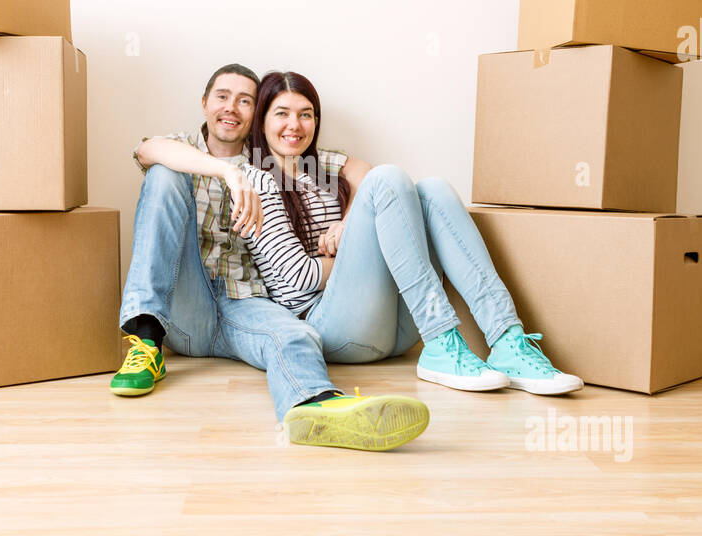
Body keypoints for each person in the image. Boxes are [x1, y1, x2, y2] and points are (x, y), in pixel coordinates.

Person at [111, 63, 431, 451]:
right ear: (204, 103)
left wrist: (346, 222)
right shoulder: (183, 149)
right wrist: (227, 173)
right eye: (222, 97)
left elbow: (362, 171)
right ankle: (146, 340)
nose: (231, 108)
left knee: (295, 335)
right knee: (163, 175)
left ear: (256, 114)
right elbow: (146, 150)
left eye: (245, 101)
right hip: (185, 303)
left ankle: (316, 407)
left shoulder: (272, 155)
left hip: (245, 302)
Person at [239, 70, 584, 395]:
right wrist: (357, 248)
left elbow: (362, 171)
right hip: (331, 329)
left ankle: (507, 339)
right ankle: (440, 339)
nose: (294, 125)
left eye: (306, 114)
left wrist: (347, 223)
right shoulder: (255, 180)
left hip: (399, 333)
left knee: (432, 189)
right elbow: (300, 277)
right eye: (281, 113)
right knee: (388, 180)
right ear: (262, 121)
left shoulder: (319, 165)